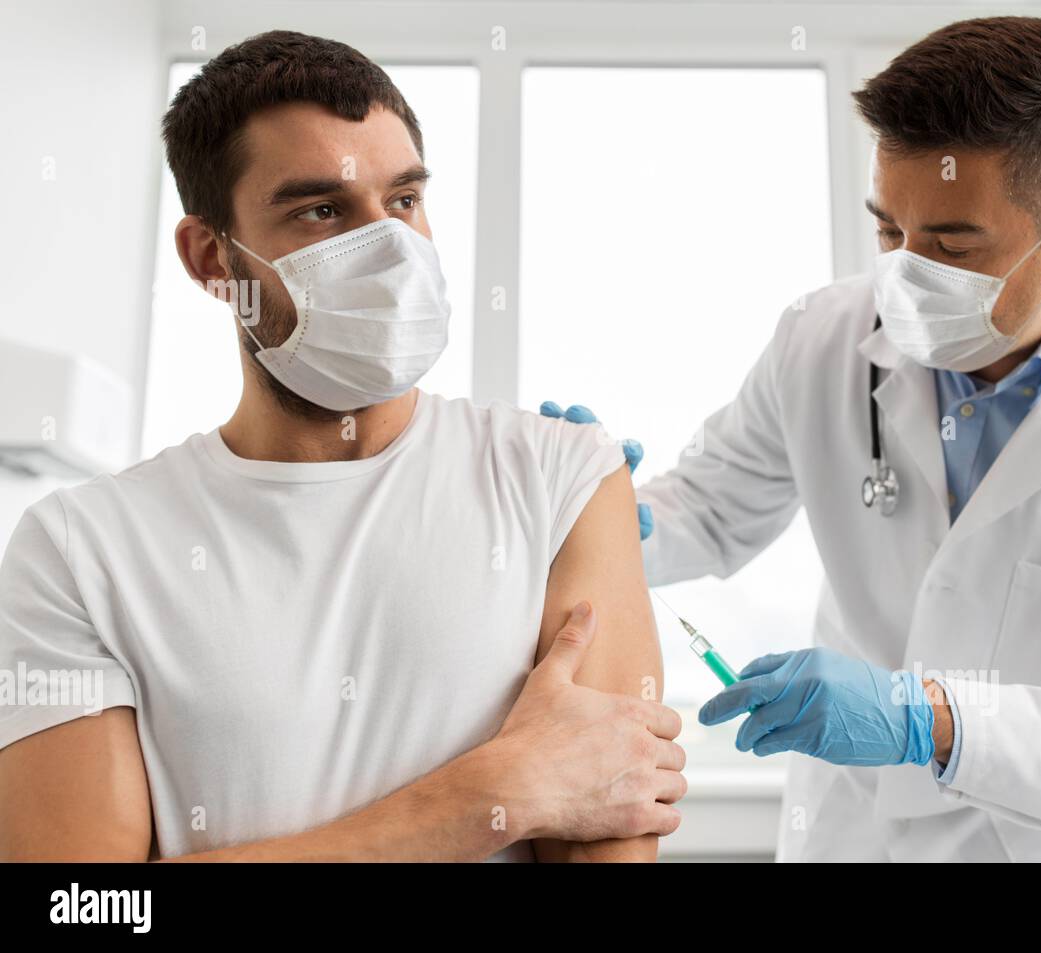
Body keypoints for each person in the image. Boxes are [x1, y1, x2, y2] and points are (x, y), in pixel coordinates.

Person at [548, 16, 1041, 861]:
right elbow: (709, 511)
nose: (903, 276)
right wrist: (594, 512)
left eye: (950, 245)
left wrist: (922, 720)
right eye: (889, 231)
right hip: (854, 836)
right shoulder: (820, 338)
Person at [0, 31, 685, 862]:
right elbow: (84, 906)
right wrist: (494, 793)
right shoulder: (80, 551)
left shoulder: (562, 477)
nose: (390, 250)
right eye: (322, 210)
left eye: (402, 201)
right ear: (213, 258)